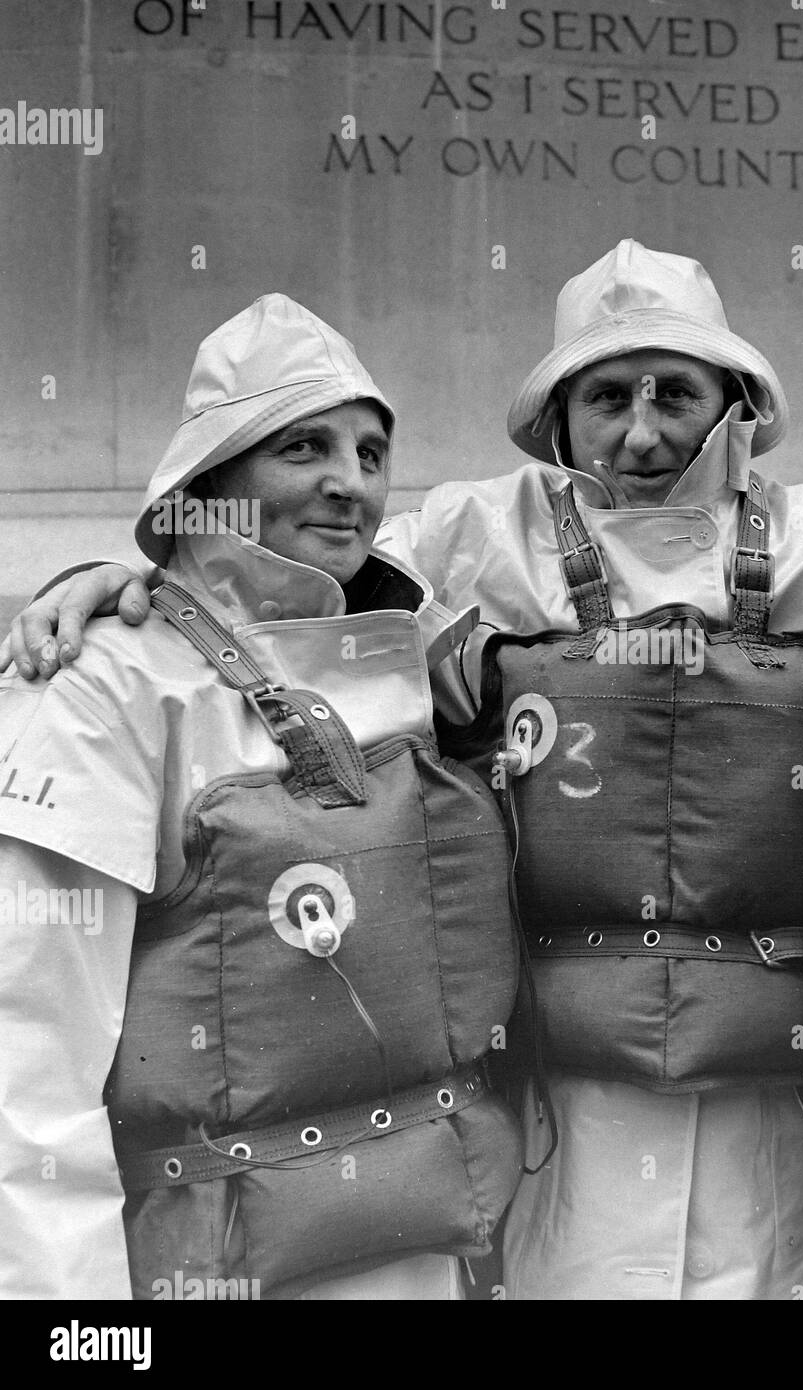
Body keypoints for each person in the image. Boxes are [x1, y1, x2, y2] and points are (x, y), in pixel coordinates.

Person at [1, 245, 803, 1300]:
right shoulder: (461, 533)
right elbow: (276, 577)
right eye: (608, 398)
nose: (644, 430)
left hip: (774, 1111)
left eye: (676, 392)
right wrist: (109, 585)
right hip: (565, 1121)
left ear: (732, 402)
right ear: (558, 416)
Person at [0, 295, 522, 1300]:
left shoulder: (403, 650)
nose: (349, 484)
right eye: (303, 449)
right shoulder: (97, 685)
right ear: (213, 481)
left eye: (370, 453)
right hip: (217, 1265)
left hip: (425, 1242)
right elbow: (27, 1073)